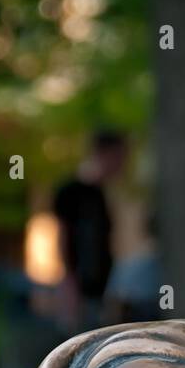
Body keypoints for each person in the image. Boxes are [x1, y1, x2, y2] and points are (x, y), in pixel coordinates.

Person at [53, 130, 128, 333]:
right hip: (79, 290)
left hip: (99, 289)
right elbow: (62, 237)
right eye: (119, 156)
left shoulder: (101, 195)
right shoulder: (70, 191)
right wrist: (69, 283)